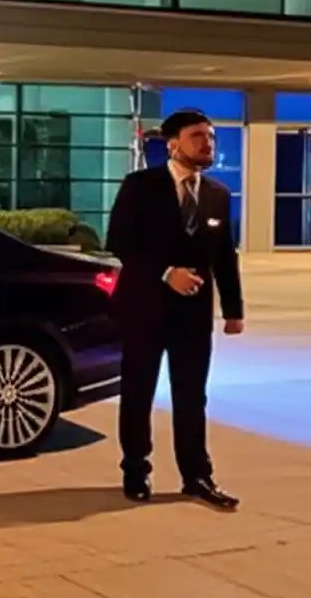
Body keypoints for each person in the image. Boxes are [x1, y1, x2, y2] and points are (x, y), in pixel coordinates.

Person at [105, 108, 244, 510]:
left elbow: (224, 257)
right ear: (173, 144)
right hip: (144, 308)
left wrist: (233, 309)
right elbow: (120, 242)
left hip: (193, 316)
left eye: (211, 137)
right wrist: (166, 273)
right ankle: (136, 471)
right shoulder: (140, 186)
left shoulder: (217, 194)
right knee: (138, 392)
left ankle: (197, 476)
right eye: (198, 136)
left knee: (192, 396)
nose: (208, 143)